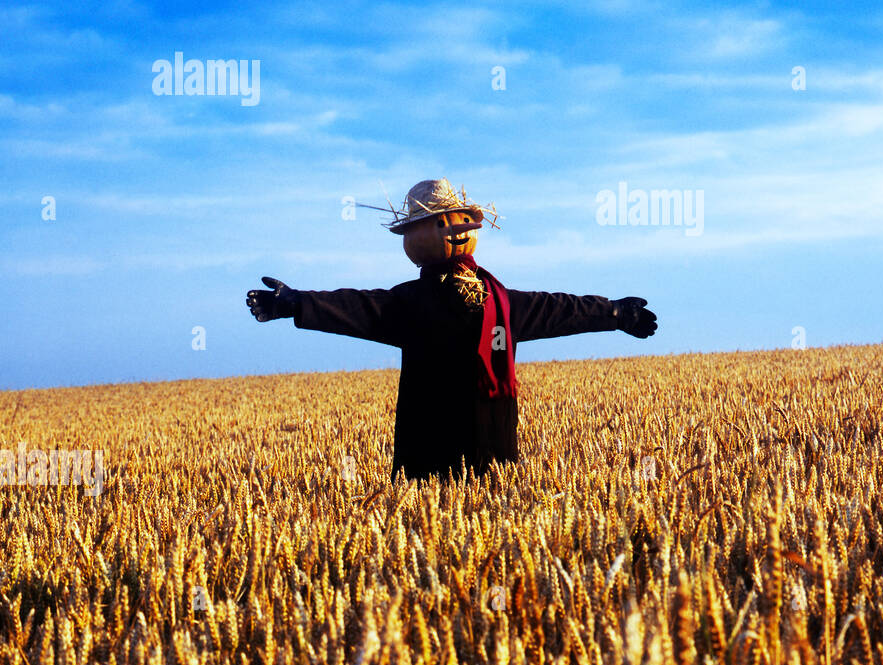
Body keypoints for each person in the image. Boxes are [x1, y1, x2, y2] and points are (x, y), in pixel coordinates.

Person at [246, 178, 656, 482]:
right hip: (458, 438)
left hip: (464, 442)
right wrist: (297, 303)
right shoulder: (445, 301)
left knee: (483, 521)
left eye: (458, 220)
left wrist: (614, 313)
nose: (456, 228)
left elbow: (555, 310)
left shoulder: (475, 299)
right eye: (441, 223)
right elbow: (359, 308)